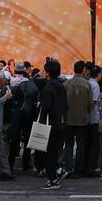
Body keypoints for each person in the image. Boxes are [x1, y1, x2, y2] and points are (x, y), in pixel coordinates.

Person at [40, 60, 69, 188]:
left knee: (49, 152)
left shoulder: (48, 87)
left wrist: (40, 106)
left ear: (47, 73)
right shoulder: (61, 86)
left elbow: (46, 107)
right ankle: (56, 174)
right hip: (61, 122)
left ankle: (53, 177)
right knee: (54, 151)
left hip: (50, 123)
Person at [63, 61, 92, 176]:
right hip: (82, 118)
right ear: (83, 70)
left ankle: (68, 168)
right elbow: (90, 104)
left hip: (68, 118)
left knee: (68, 144)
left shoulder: (66, 84)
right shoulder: (87, 84)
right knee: (80, 145)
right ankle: (79, 169)